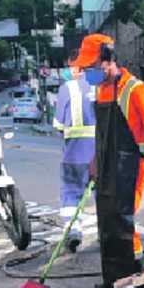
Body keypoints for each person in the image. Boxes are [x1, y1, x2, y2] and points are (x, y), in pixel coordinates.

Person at [70, 34, 144, 288]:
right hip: (106, 165)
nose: (86, 73)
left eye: (90, 66)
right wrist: (94, 160)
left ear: (107, 60)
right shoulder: (102, 90)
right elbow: (103, 135)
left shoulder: (135, 90)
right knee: (107, 225)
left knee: (124, 227)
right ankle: (114, 282)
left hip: (128, 167)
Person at [52, 60, 97, 252]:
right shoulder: (101, 85)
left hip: (74, 153)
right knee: (103, 196)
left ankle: (73, 232)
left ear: (77, 68)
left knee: (71, 194)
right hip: (100, 154)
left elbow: (59, 126)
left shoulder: (67, 88)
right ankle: (108, 235)